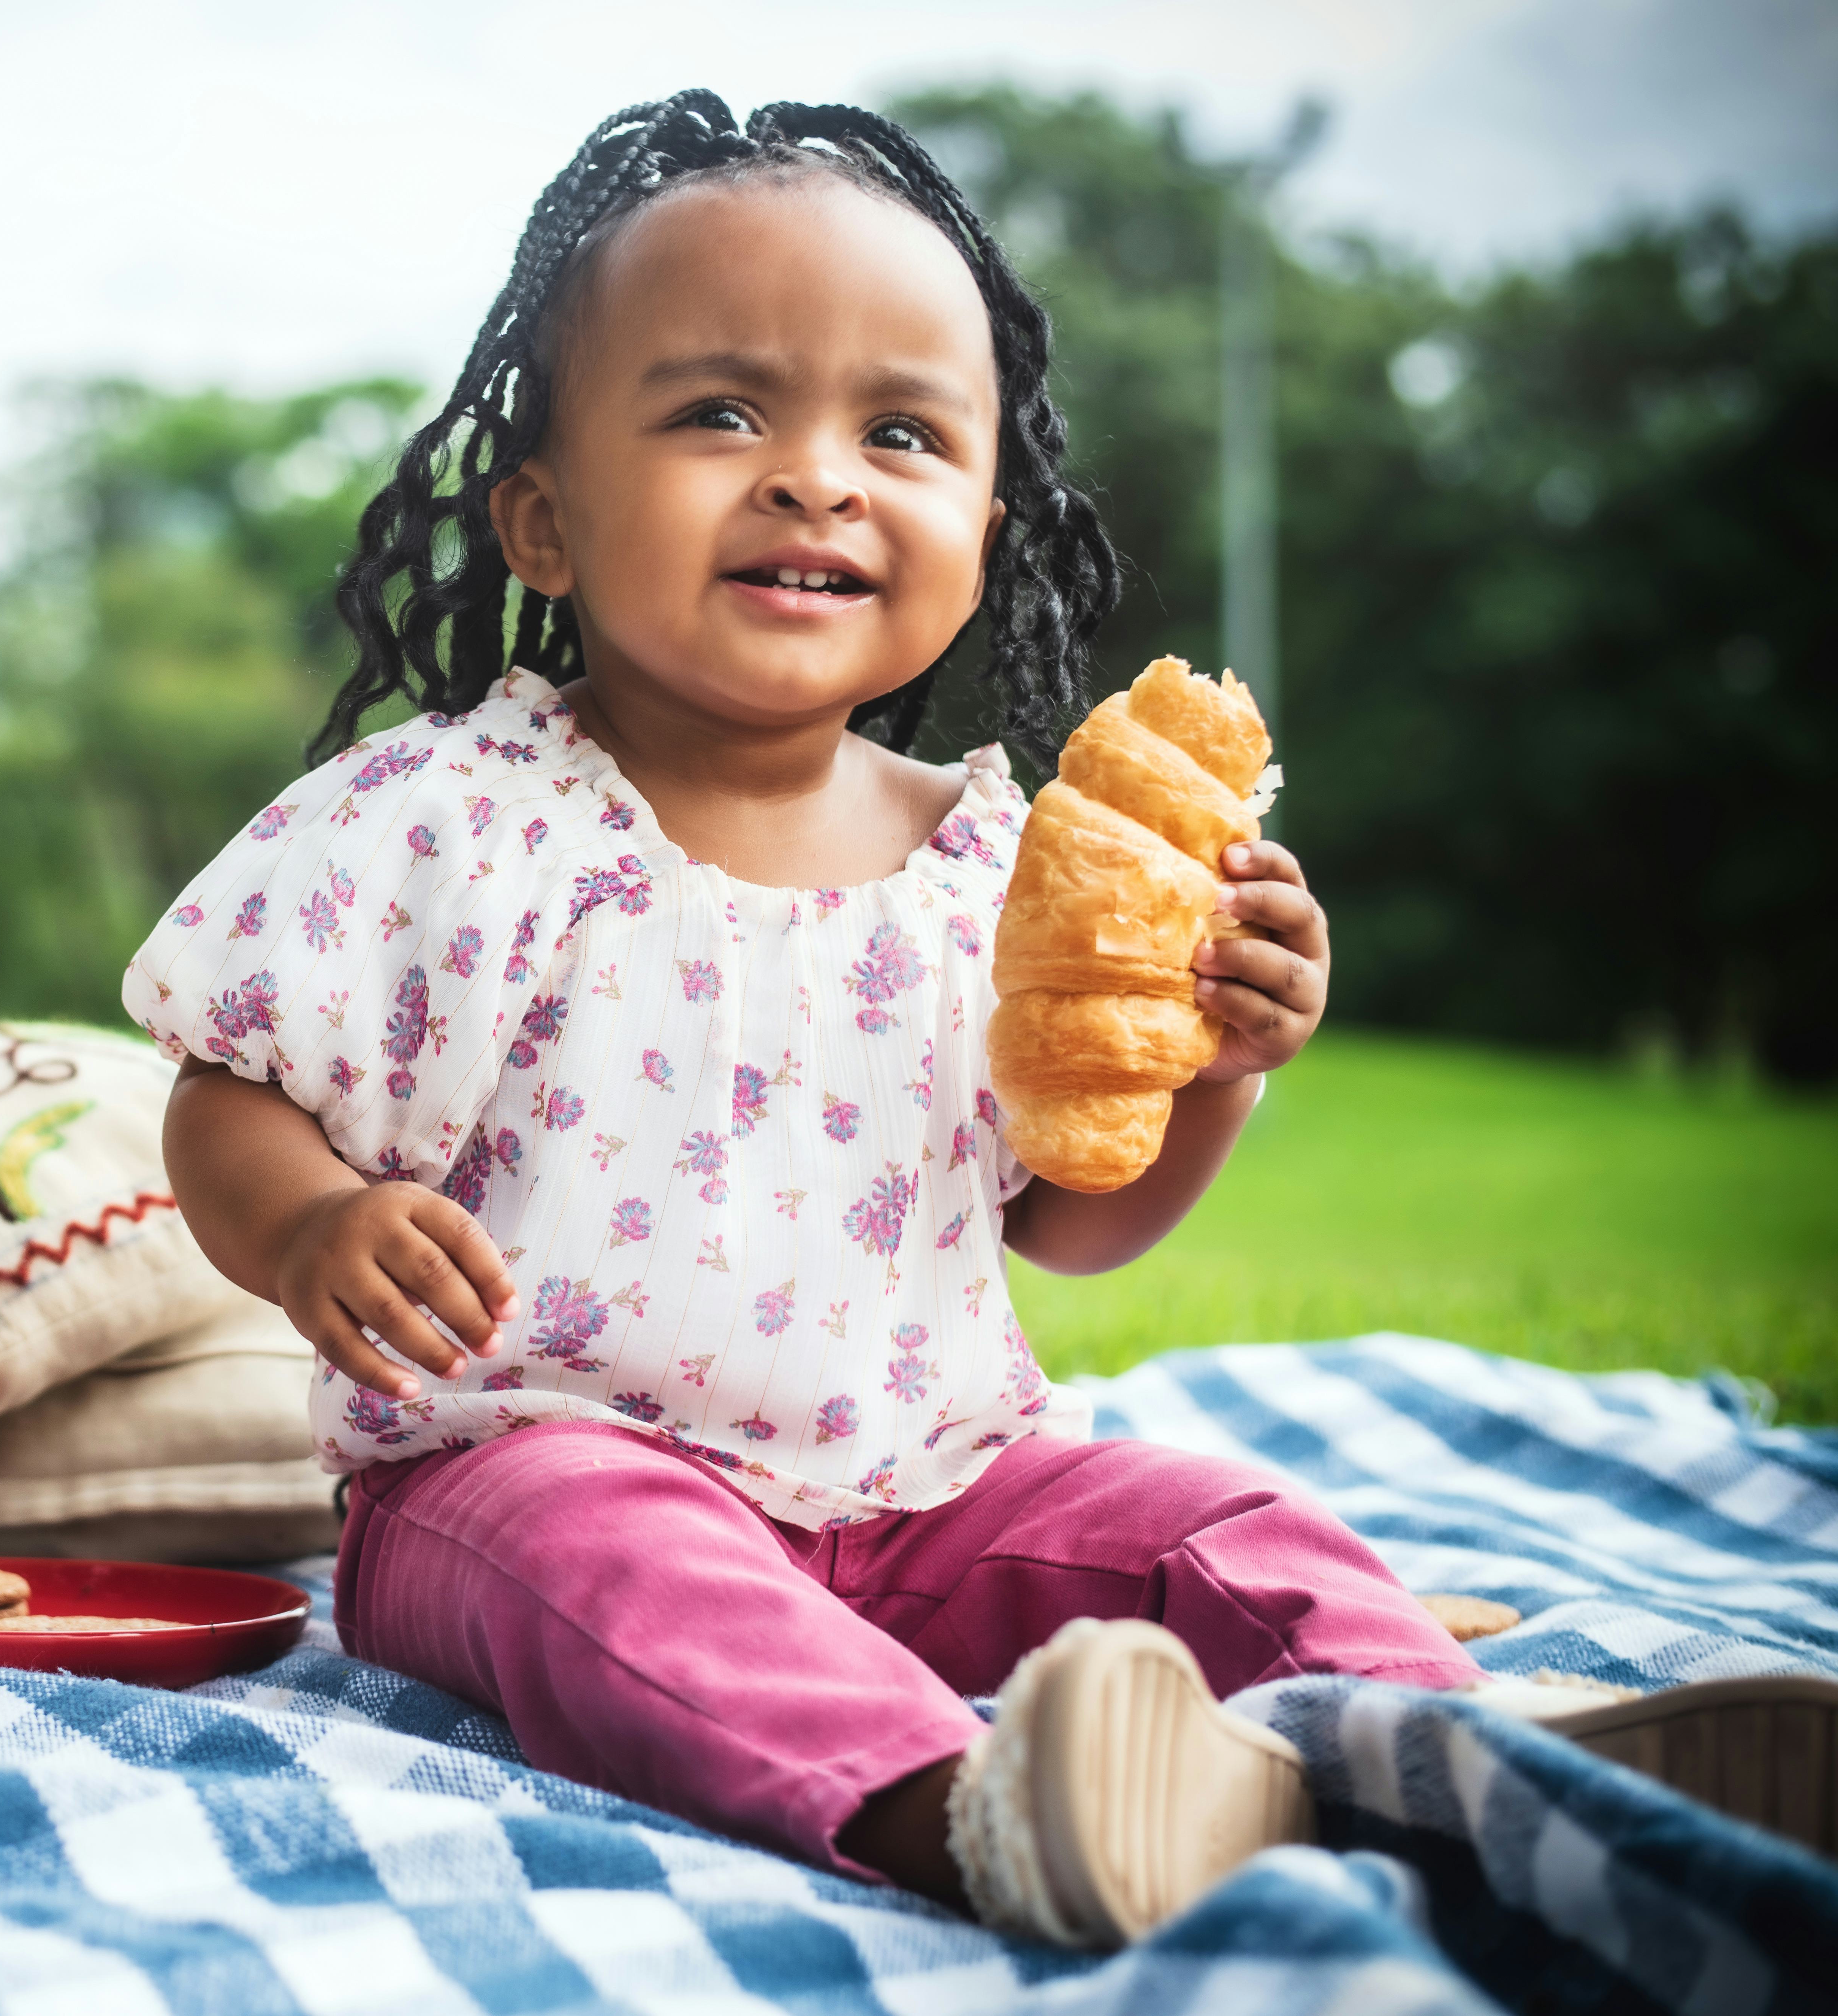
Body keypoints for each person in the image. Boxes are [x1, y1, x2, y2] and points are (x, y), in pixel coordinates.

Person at [124, 93, 1604, 1947]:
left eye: (897, 433)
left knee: (1220, 1529)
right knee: (621, 1563)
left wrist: (1214, 1069)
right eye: (719, 413)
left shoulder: (998, 871)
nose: (815, 479)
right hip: (510, 1474)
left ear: (981, 524)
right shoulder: (447, 819)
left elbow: (1070, 1224)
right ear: (544, 521)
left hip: (932, 1492)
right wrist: (309, 1225)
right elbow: (230, 1089)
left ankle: (1475, 1763)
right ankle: (958, 1814)